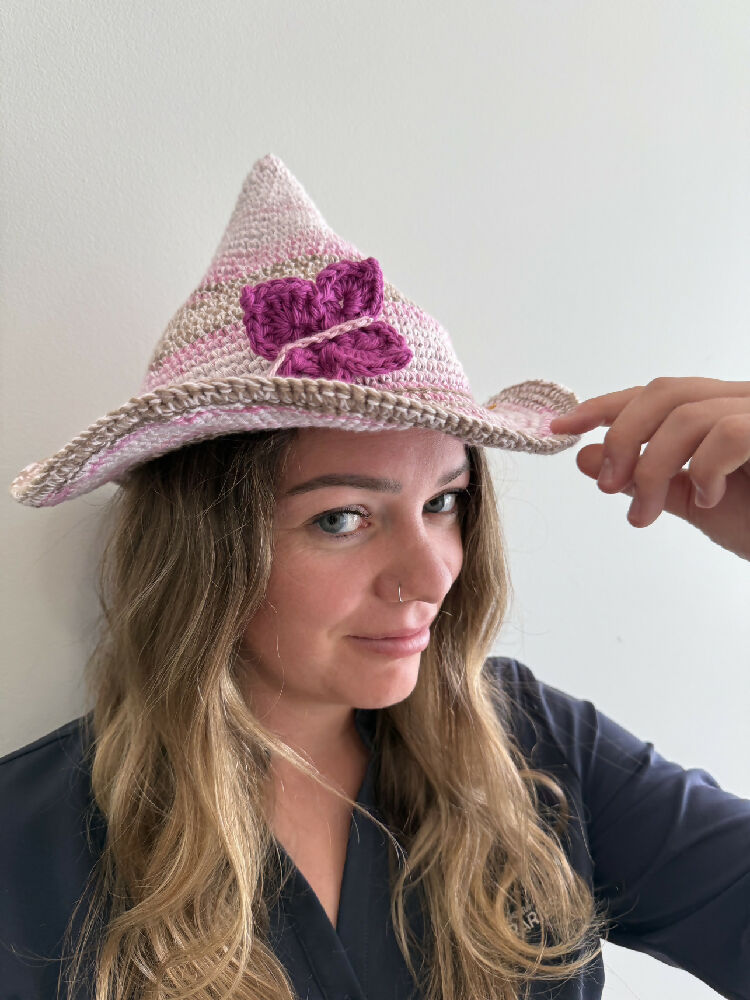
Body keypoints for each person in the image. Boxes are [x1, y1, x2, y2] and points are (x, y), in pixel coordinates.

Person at [2, 154, 748, 1000]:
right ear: (204, 550)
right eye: (341, 518)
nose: (431, 575)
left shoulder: (534, 748)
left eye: (444, 503)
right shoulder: (29, 849)